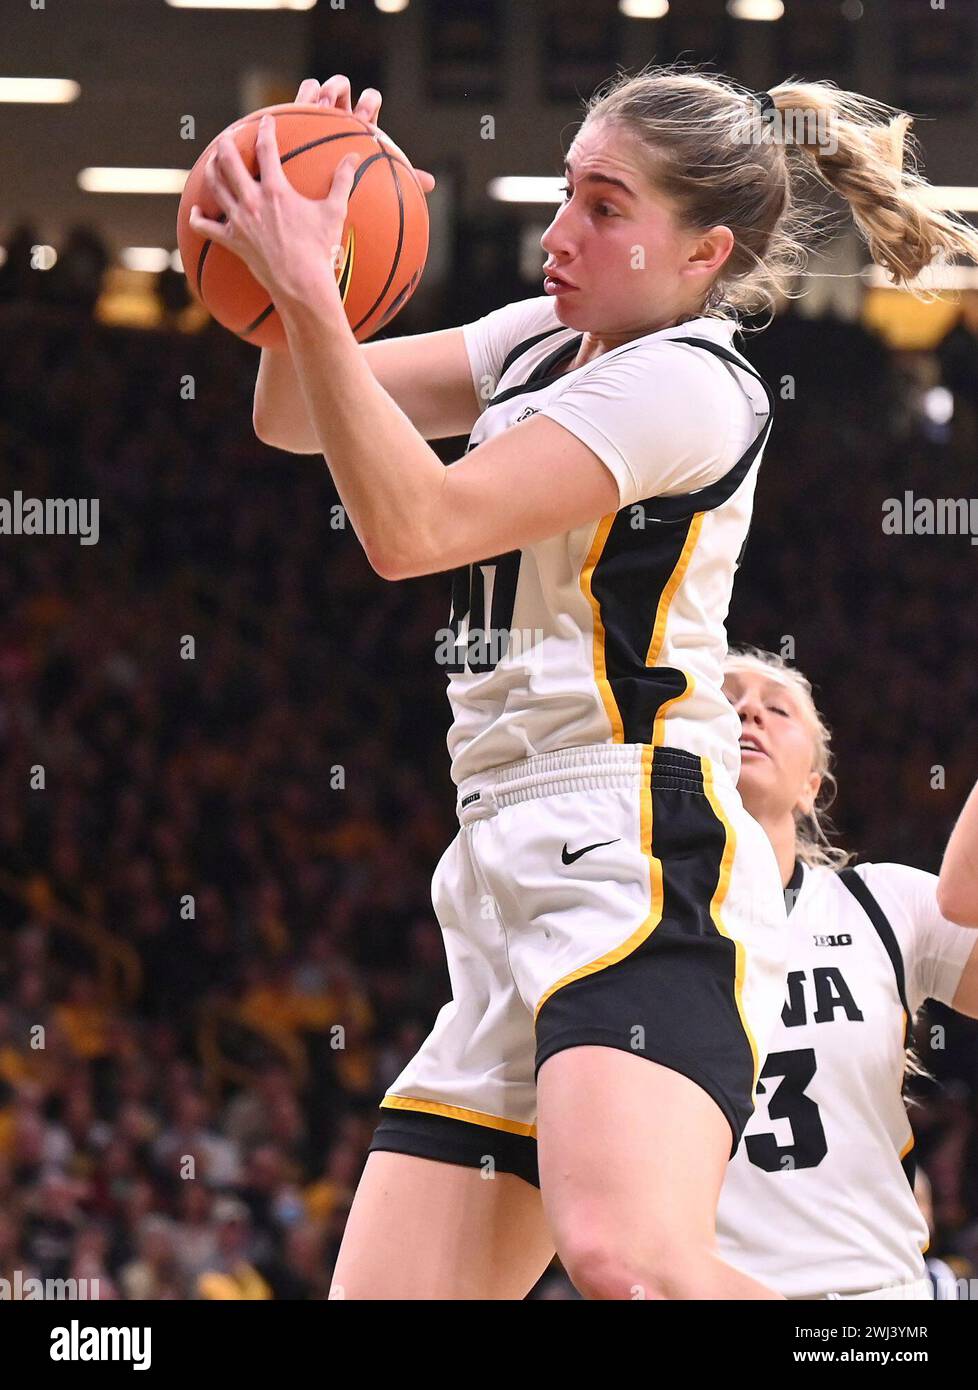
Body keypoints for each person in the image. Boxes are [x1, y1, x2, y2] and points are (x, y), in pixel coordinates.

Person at [208, 67, 978, 1299]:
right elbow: (294, 410)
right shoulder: (536, 338)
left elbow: (414, 528)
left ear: (703, 252)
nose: (561, 231)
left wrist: (307, 290)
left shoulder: (693, 384)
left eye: (606, 207)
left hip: (635, 840)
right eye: (568, 190)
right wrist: (322, 247)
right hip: (501, 860)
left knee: (636, 1265)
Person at [715, 647, 978, 1300]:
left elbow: (965, 895)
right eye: (724, 701)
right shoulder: (623, 927)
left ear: (811, 787)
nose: (749, 710)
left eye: (777, 709)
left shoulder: (883, 904)